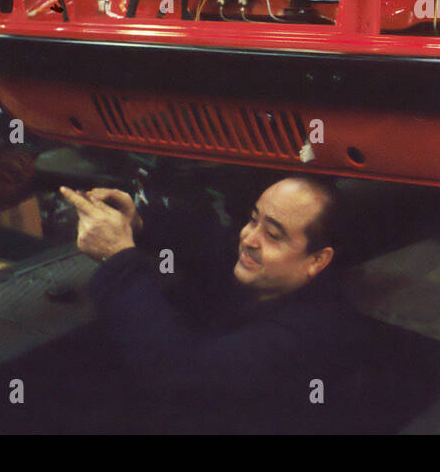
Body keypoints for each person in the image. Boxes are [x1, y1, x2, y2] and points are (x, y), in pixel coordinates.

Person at [61, 175, 370, 433]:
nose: (249, 237)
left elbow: (184, 377)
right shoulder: (274, 275)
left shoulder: (309, 333)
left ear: (318, 259)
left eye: (273, 234)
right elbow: (208, 241)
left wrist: (117, 258)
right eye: (253, 219)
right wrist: (138, 223)